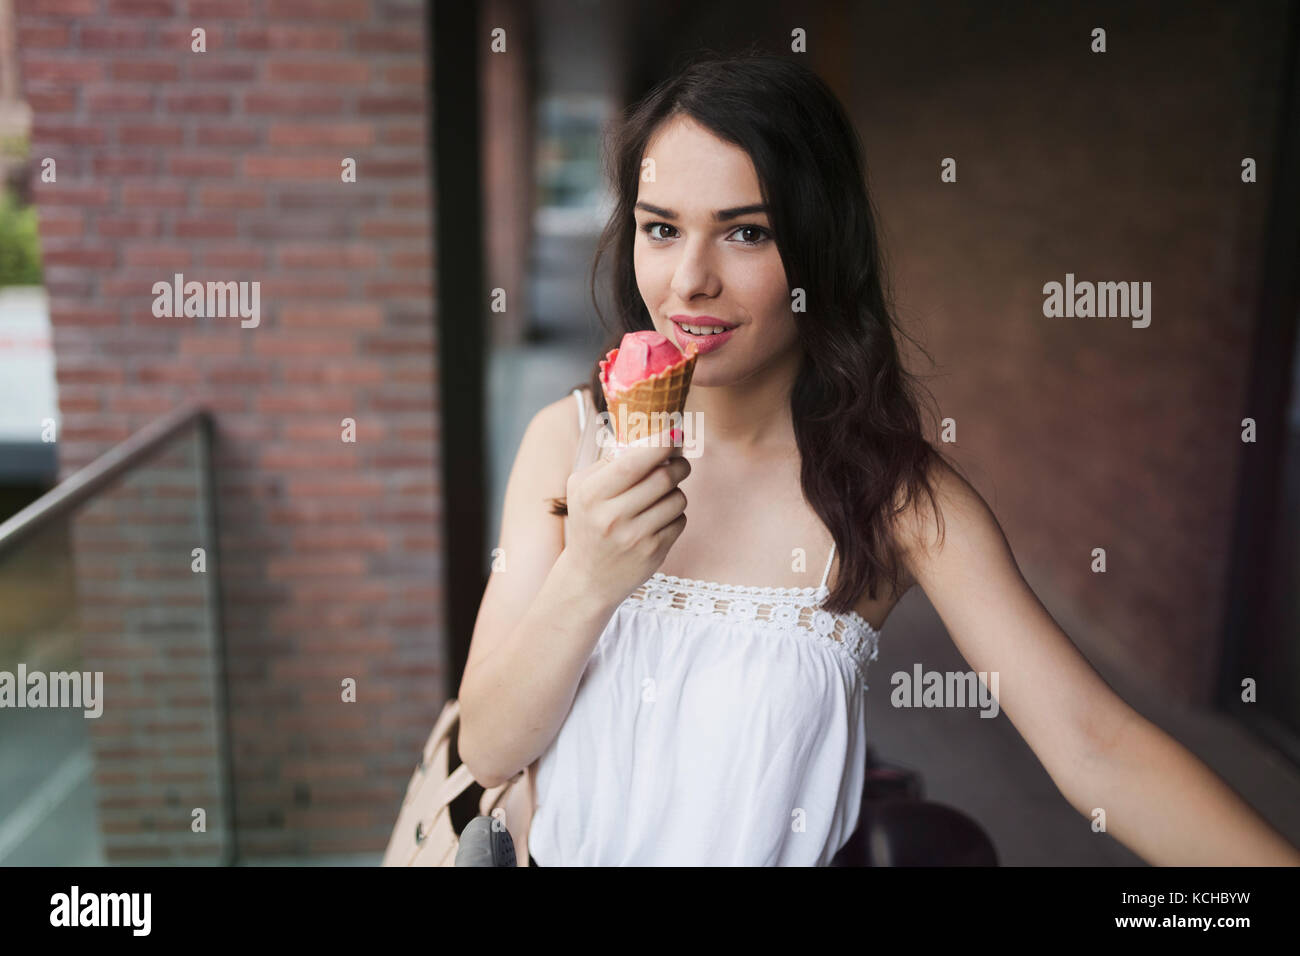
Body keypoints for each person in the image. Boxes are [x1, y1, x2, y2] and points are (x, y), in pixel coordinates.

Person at [456, 50, 1300, 866]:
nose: (689, 281)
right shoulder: (568, 441)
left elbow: (1096, 747)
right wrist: (590, 578)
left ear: (822, 251)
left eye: (747, 232)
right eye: (661, 229)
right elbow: (490, 750)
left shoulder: (894, 499)